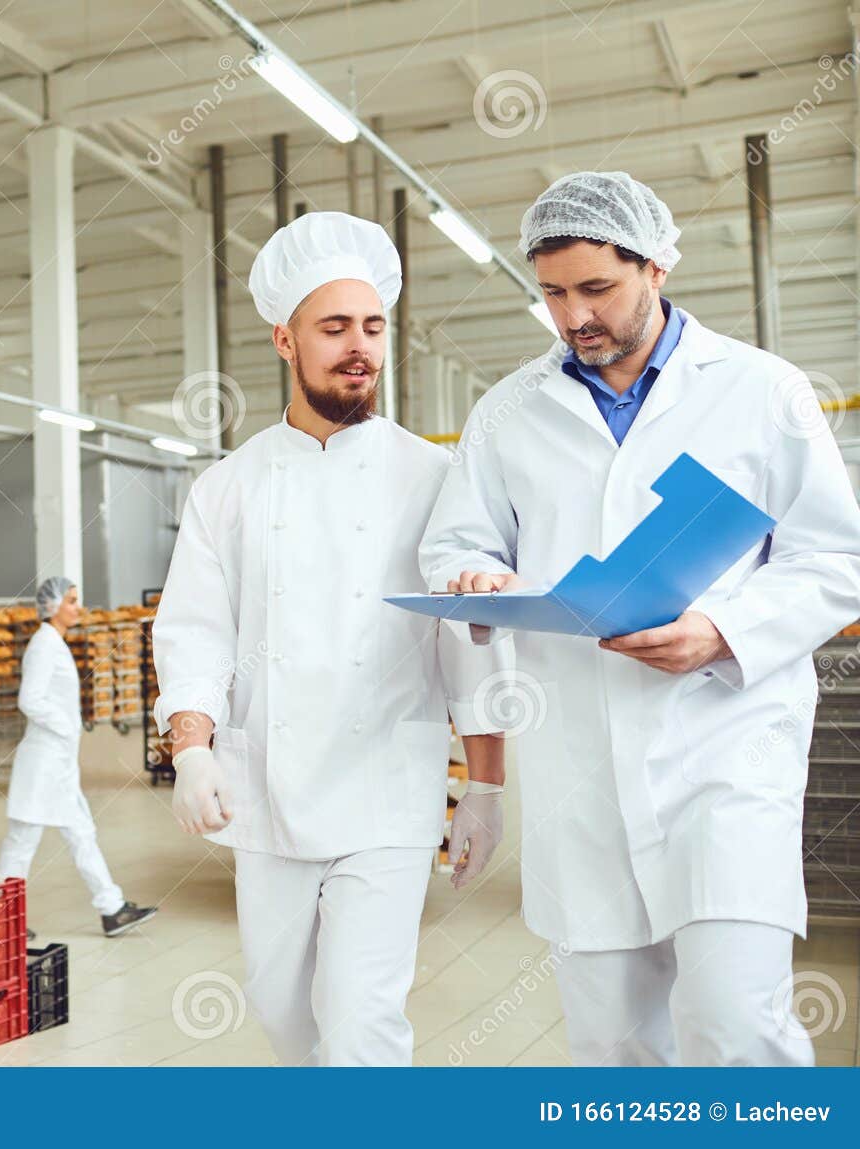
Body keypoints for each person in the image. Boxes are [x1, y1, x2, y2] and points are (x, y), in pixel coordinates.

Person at [420, 170, 860, 1066]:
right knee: (614, 1040)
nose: (573, 315)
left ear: (655, 266)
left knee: (736, 1027)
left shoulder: (761, 390)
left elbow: (835, 558)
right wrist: (476, 576)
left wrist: (724, 632)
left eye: (595, 288)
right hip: (576, 753)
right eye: (551, 292)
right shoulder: (507, 412)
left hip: (726, 743)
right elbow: (454, 546)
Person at [152, 211, 508, 1066]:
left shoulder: (431, 475)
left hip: (389, 786)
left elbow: (468, 641)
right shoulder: (227, 487)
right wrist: (192, 749)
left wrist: (487, 786)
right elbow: (196, 628)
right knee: (282, 1013)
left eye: (375, 326)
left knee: (360, 1027)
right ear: (285, 338)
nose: (361, 346)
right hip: (265, 787)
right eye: (336, 326)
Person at [0, 576, 158, 938]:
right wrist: (68, 726)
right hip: (42, 761)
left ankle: (112, 908)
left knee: (82, 833)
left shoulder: (55, 643)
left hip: (59, 764)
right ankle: (2, 922)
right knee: (22, 841)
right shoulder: (43, 645)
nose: (77, 607)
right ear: (52, 606)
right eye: (71, 600)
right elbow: (30, 700)